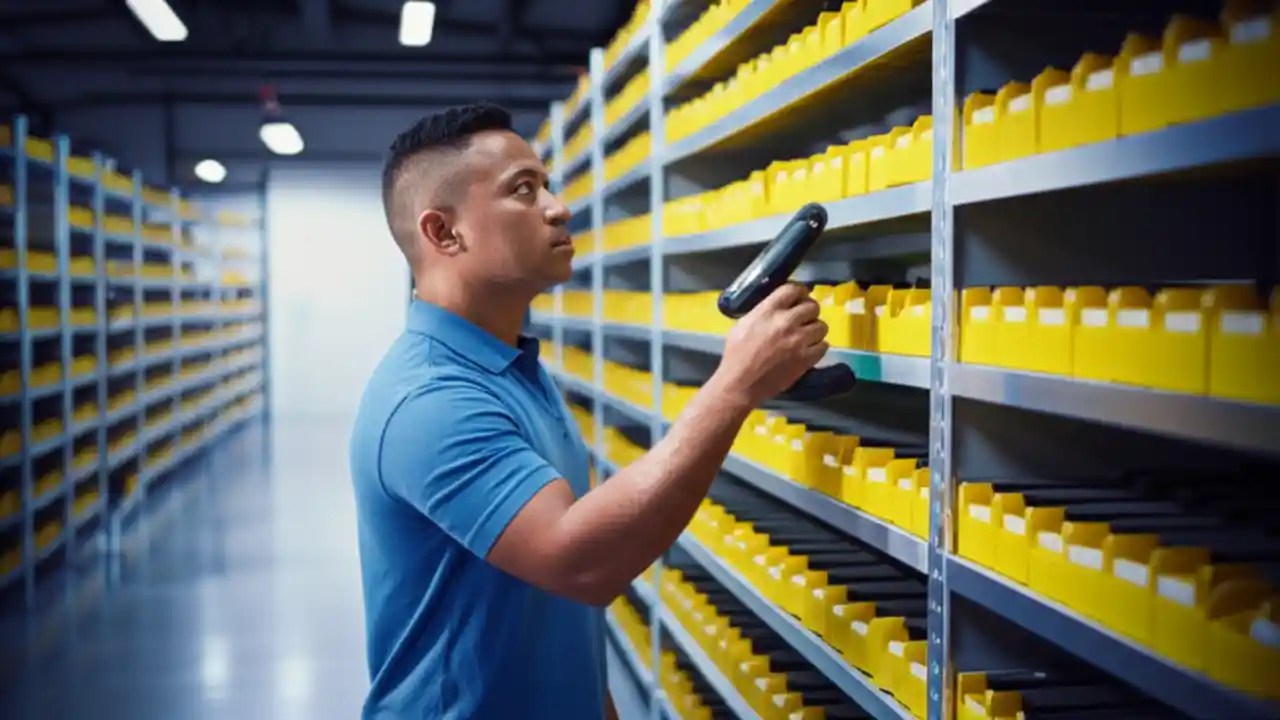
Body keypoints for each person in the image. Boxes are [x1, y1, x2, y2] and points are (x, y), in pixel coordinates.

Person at [349, 102, 829, 719]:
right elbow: (580, 564)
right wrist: (734, 386)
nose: (557, 206)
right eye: (523, 191)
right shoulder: (429, 401)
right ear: (443, 233)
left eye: (546, 183)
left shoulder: (512, 368)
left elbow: (552, 608)